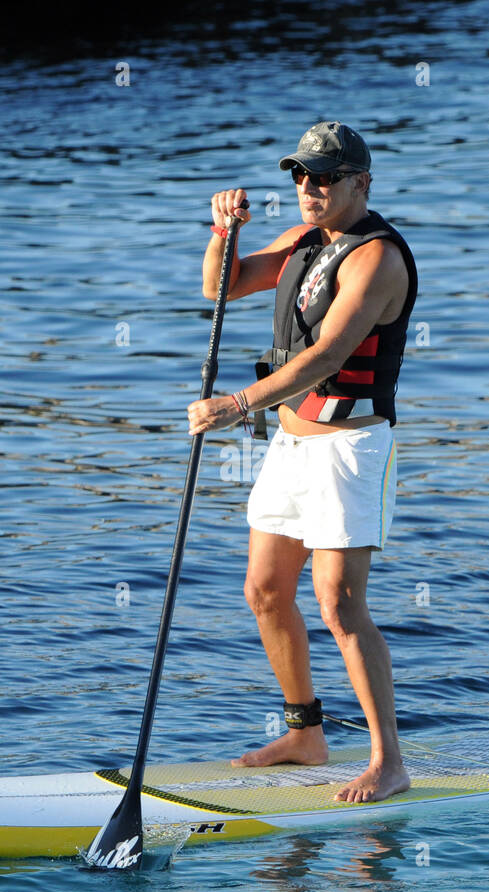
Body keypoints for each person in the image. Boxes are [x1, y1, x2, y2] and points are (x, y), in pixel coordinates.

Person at [186, 121, 418, 803]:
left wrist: (235, 404)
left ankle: (388, 760)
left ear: (360, 183)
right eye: (300, 176)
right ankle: (306, 733)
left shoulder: (378, 259)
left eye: (323, 178)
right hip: (290, 445)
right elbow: (221, 287)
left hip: (350, 449)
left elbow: (328, 356)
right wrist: (222, 231)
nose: (309, 189)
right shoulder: (301, 241)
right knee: (264, 590)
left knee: (340, 604)